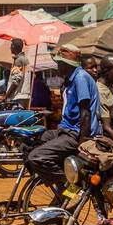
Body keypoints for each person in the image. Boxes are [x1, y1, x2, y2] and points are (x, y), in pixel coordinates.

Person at [25, 45, 99, 184]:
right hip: (65, 130)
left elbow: (85, 113)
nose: (57, 66)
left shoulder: (80, 77)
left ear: (66, 64)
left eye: (59, 63)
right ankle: (58, 179)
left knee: (36, 157)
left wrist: (82, 143)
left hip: (75, 133)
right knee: (28, 142)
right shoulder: (70, 79)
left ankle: (71, 183)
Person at [2, 38, 33, 108]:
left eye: (11, 46)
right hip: (24, 95)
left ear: (13, 46)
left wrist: (6, 96)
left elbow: (16, 81)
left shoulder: (18, 60)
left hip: (18, 96)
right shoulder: (25, 59)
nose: (10, 48)